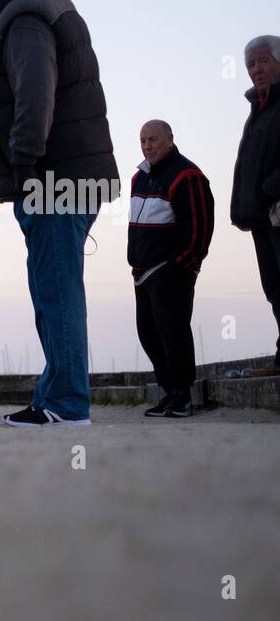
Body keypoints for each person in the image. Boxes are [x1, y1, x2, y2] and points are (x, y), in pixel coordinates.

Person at [0, 0, 118, 428]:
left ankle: (67, 405)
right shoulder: (48, 8)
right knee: (54, 288)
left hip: (53, 177)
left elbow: (35, 98)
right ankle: (53, 395)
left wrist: (25, 168)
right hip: (68, 173)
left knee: (56, 292)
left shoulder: (26, 18)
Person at [129, 120, 214, 418]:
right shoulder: (138, 178)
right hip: (142, 272)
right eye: (143, 140)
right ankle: (169, 392)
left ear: (170, 139)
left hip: (170, 273)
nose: (148, 145)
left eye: (153, 139)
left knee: (173, 332)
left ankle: (183, 396)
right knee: (148, 333)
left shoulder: (187, 175)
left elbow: (199, 225)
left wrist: (181, 266)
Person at [229, 35, 280, 367]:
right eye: (250, 64)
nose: (256, 69)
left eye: (263, 61)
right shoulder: (258, 108)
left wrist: (268, 189)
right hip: (263, 215)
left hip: (276, 207)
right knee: (274, 288)